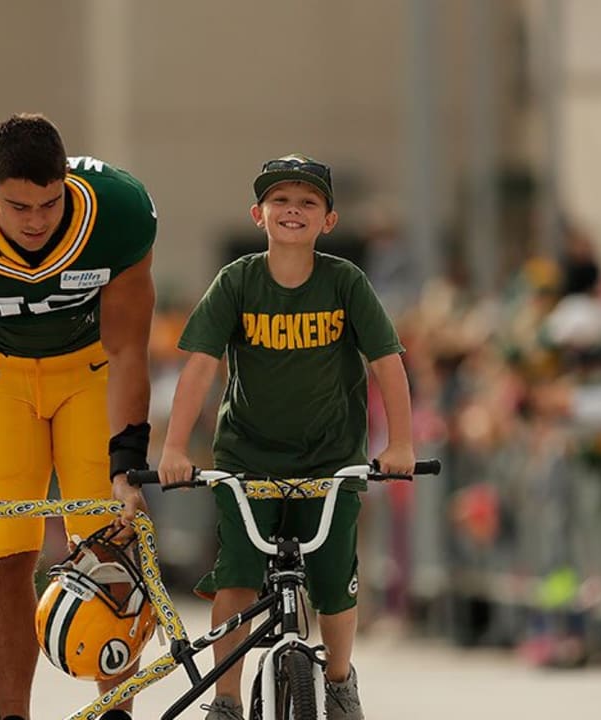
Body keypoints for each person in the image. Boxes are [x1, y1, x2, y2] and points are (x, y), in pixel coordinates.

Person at [0, 113, 156, 720]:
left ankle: (116, 710)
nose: (37, 220)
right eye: (18, 206)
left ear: (66, 180)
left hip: (89, 369)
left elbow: (127, 351)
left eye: (49, 203)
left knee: (109, 542)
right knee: (9, 550)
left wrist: (128, 465)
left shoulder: (117, 209)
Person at [157, 155, 416, 720]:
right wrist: (175, 449)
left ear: (328, 219)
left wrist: (400, 445)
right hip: (248, 461)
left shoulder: (345, 282)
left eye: (307, 202)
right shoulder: (237, 282)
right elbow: (199, 366)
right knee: (238, 577)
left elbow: (388, 362)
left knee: (333, 579)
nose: (292, 210)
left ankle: (342, 683)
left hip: (330, 460)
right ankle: (225, 701)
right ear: (258, 214)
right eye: (280, 201)